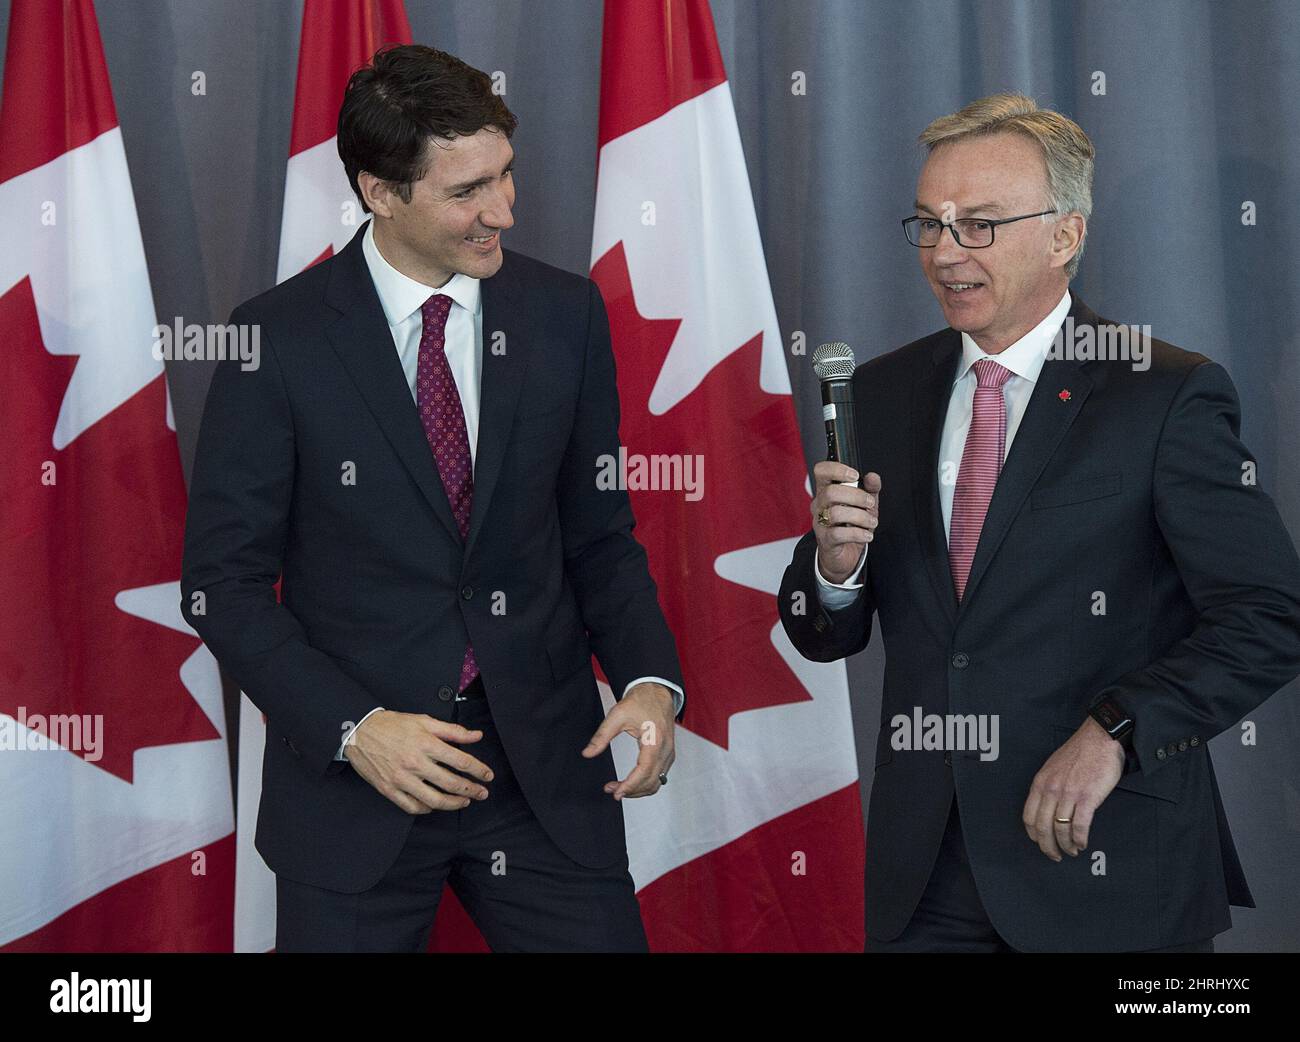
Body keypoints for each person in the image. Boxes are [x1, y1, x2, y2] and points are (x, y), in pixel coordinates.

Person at [181, 44, 684, 952]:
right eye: (466, 193)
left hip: (542, 776)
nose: (503, 211)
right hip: (356, 787)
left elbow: (600, 537)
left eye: (506, 176)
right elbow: (223, 584)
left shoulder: (565, 314)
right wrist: (355, 730)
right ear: (379, 192)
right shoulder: (275, 339)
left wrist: (651, 681)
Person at [778, 92, 1300, 952]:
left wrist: (1116, 730)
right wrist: (835, 569)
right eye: (929, 225)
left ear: (1065, 235)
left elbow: (1267, 617)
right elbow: (826, 634)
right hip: (927, 879)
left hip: (1109, 867)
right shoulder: (878, 393)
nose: (945, 253)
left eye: (978, 225)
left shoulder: (1162, 393)